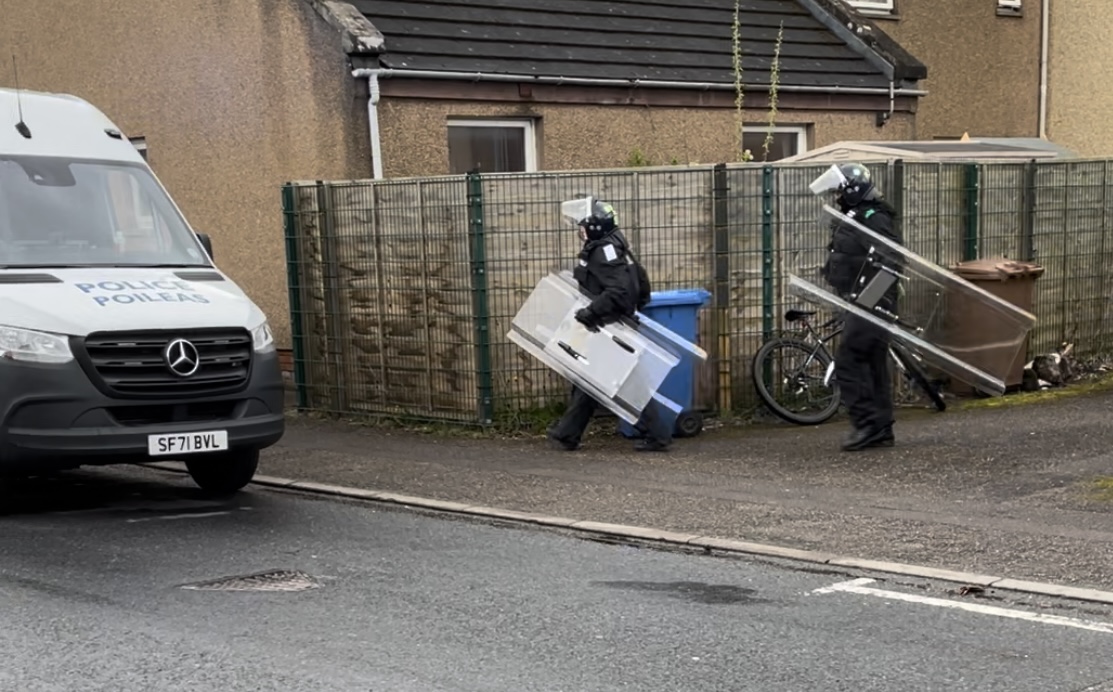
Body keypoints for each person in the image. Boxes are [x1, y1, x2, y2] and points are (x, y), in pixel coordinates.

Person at [547, 198, 672, 453]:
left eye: (581, 225)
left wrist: (590, 312)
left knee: (618, 381)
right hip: (612, 325)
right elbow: (639, 281)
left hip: (610, 326)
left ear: (594, 227)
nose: (578, 230)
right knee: (591, 380)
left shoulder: (604, 252)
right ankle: (567, 434)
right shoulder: (614, 245)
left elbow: (618, 291)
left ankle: (657, 434)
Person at [810, 163, 903, 451]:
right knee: (873, 364)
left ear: (852, 190)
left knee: (849, 360)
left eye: (840, 190)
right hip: (856, 299)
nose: (836, 195)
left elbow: (891, 259)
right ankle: (881, 426)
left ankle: (866, 422)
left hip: (871, 303)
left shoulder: (874, 217)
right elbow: (848, 253)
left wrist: (869, 298)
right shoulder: (854, 216)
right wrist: (830, 272)